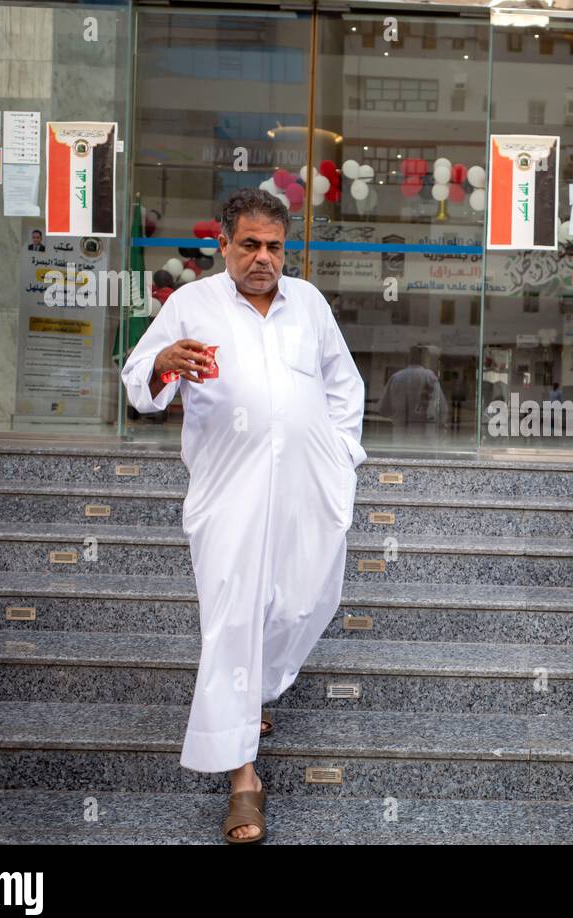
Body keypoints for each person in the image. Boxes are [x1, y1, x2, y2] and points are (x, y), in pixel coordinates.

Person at [120, 188, 367, 843]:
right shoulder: (192, 304)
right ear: (224, 245)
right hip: (228, 491)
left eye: (275, 246)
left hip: (308, 489)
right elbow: (138, 384)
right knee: (234, 617)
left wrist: (340, 457)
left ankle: (254, 689)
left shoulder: (308, 304)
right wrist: (162, 366)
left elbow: (344, 386)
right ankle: (243, 782)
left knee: (303, 602)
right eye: (250, 244)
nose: (263, 258)